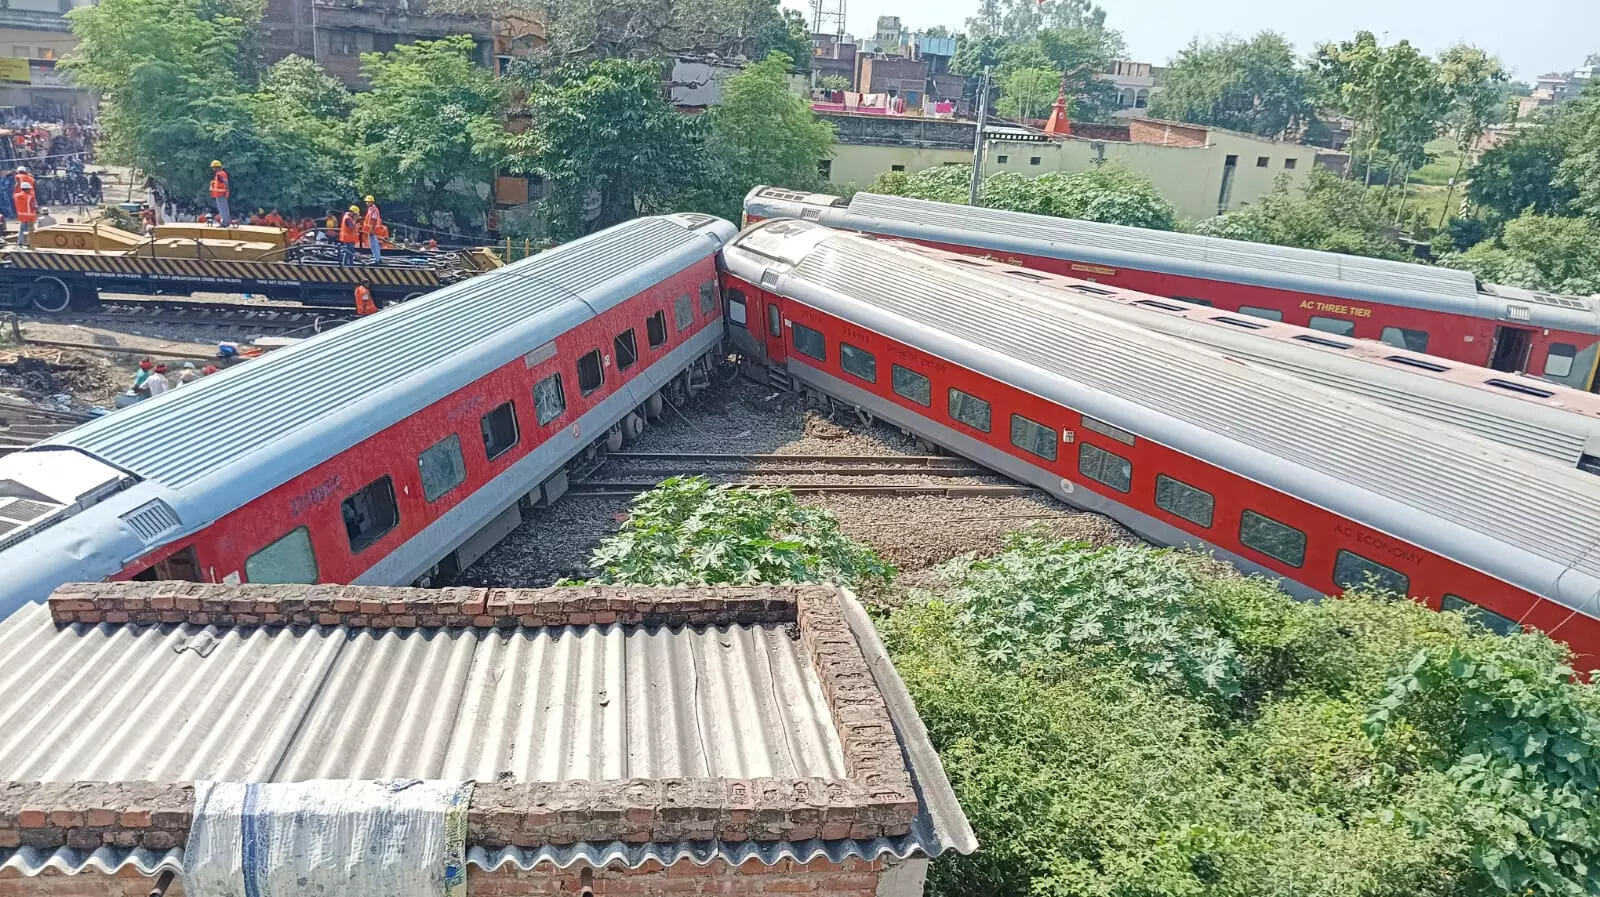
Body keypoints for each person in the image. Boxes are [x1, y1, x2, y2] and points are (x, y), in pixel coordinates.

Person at [13, 180, 36, 247]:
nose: (30, 190)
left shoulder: (17, 196)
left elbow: (14, 194)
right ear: (27, 189)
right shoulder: (30, 196)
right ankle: (28, 242)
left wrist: (16, 185)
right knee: (30, 231)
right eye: (29, 189)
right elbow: (33, 206)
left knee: (22, 230)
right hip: (30, 217)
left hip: (22, 217)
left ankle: (20, 242)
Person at [362, 195, 382, 263]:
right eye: (366, 202)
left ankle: (377, 259)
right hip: (370, 229)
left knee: (374, 244)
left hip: (373, 230)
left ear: (372, 202)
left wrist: (372, 229)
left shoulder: (374, 210)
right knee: (373, 244)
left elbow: (374, 219)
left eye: (368, 202)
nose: (367, 203)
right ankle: (376, 257)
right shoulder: (370, 209)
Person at [208, 160, 230, 225]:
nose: (213, 169)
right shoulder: (223, 173)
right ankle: (227, 221)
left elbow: (225, 183)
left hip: (220, 194)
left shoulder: (219, 174)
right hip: (222, 193)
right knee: (225, 208)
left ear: (217, 167)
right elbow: (225, 183)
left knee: (222, 208)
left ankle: (224, 223)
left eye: (214, 167)